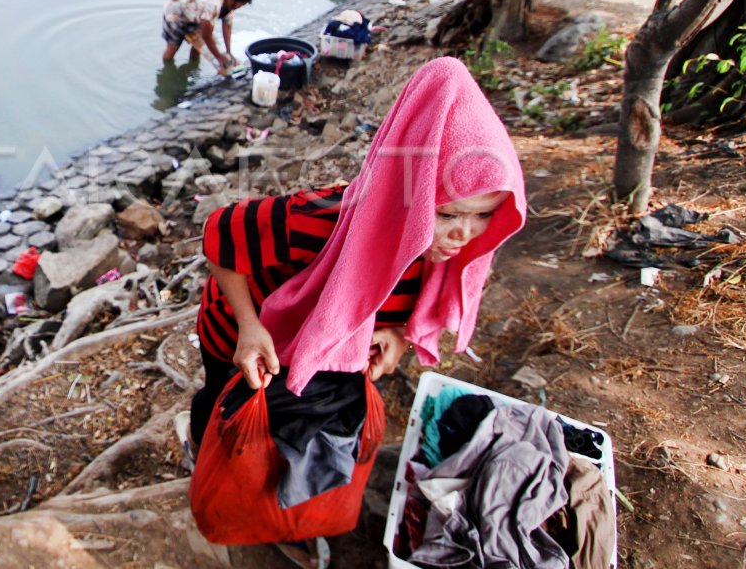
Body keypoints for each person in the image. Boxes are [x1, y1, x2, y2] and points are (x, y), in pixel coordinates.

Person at [188, 57, 527, 568]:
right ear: (407, 198)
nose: (463, 235)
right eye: (448, 214)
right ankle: (203, 454)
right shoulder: (318, 221)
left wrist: (396, 335)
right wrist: (250, 327)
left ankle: (273, 498)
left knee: (284, 430)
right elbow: (220, 236)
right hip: (240, 335)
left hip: (315, 353)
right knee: (223, 406)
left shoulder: (438, 260)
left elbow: (393, 305)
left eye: (483, 217)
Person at [162, 0, 255, 76]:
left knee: (198, 46)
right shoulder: (213, 5)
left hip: (194, 12)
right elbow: (207, 36)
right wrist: (219, 57)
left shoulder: (230, 6)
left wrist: (229, 52)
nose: (241, 7)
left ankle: (192, 66)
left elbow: (227, 27)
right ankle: (167, 72)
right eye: (242, 4)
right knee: (173, 47)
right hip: (176, 11)